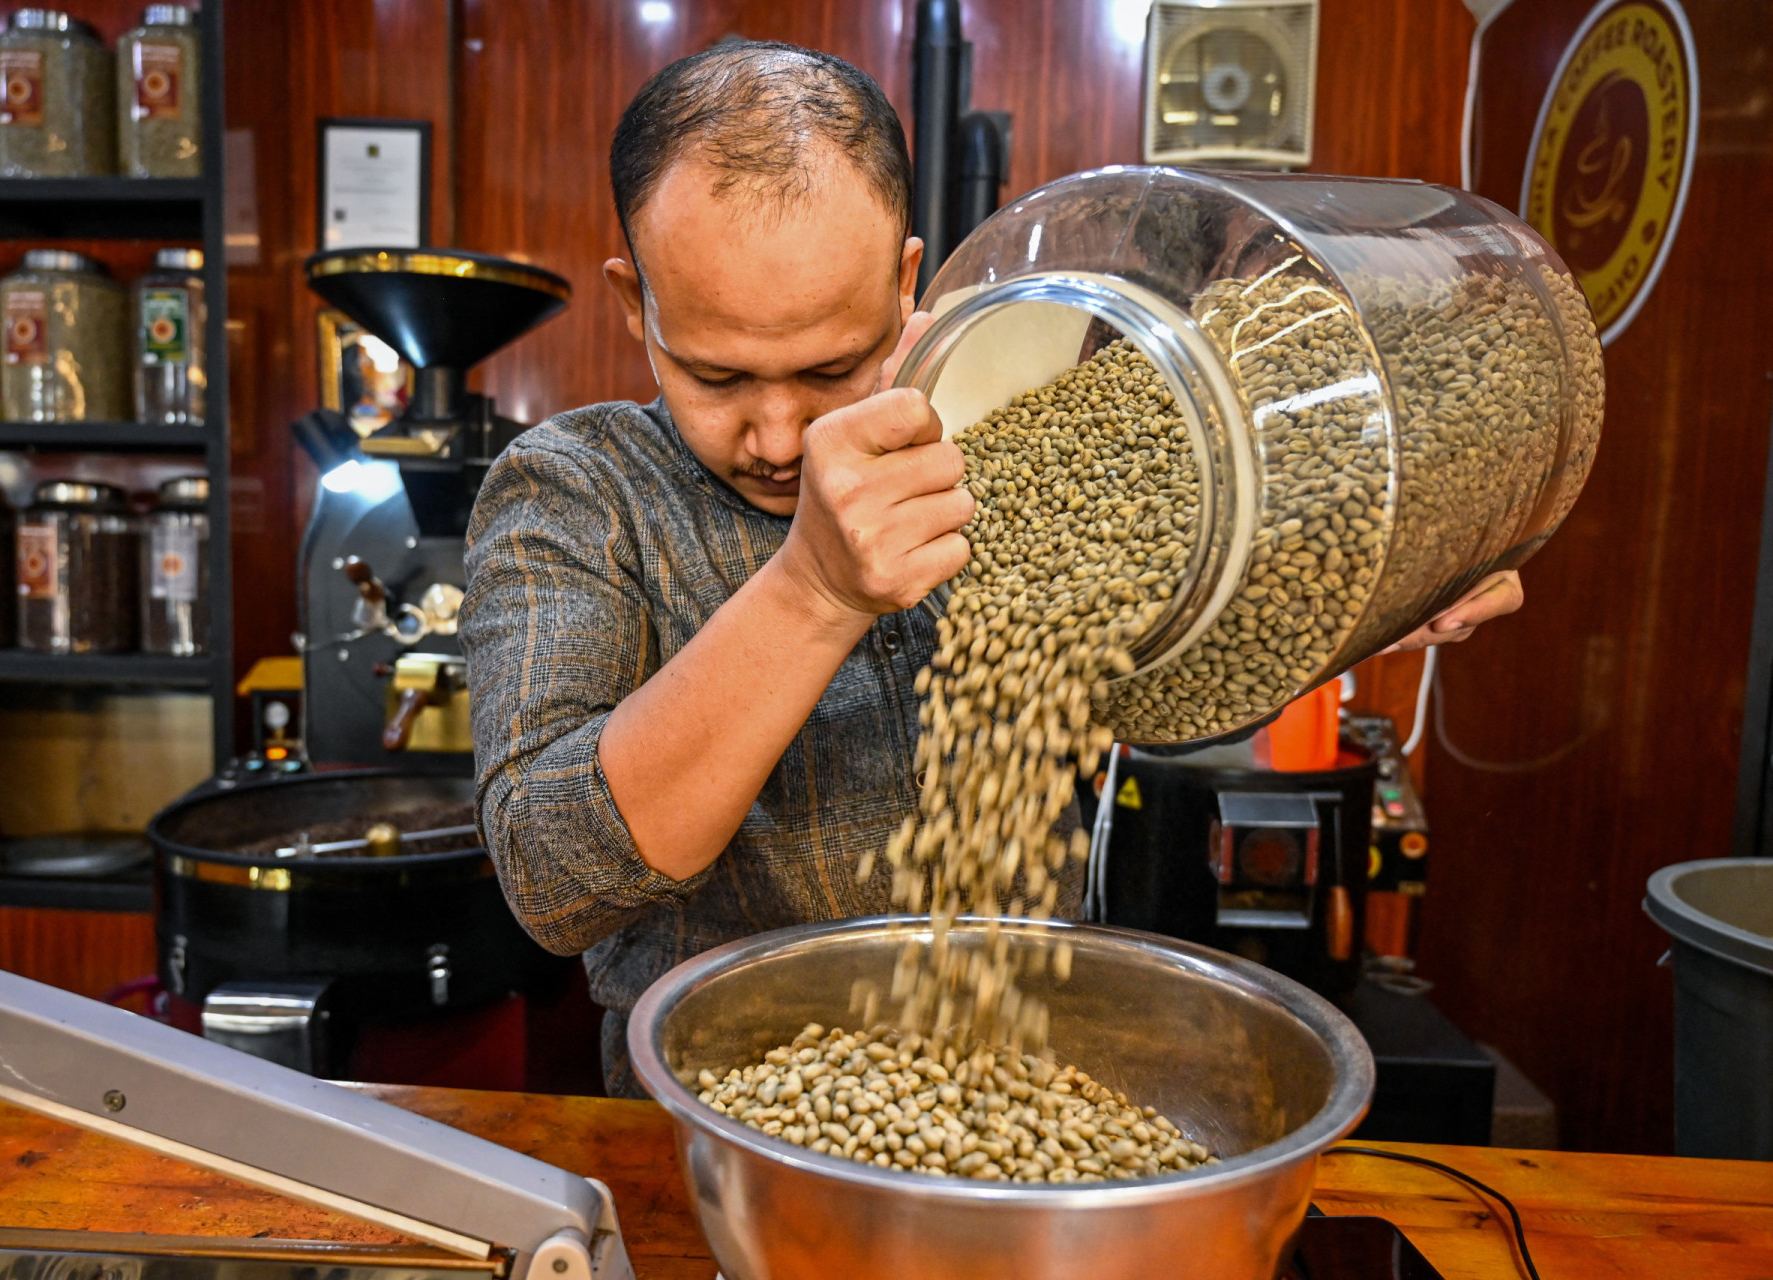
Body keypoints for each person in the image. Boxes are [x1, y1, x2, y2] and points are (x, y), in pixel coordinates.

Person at [460, 41, 1521, 1096]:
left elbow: (1160, 682)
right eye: (718, 376)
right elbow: (554, 883)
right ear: (637, 302)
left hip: (1021, 1086)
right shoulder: (577, 490)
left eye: (832, 367)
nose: (780, 436)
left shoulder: (1012, 431)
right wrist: (814, 589)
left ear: (905, 281)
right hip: (718, 1109)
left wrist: (1371, 583)